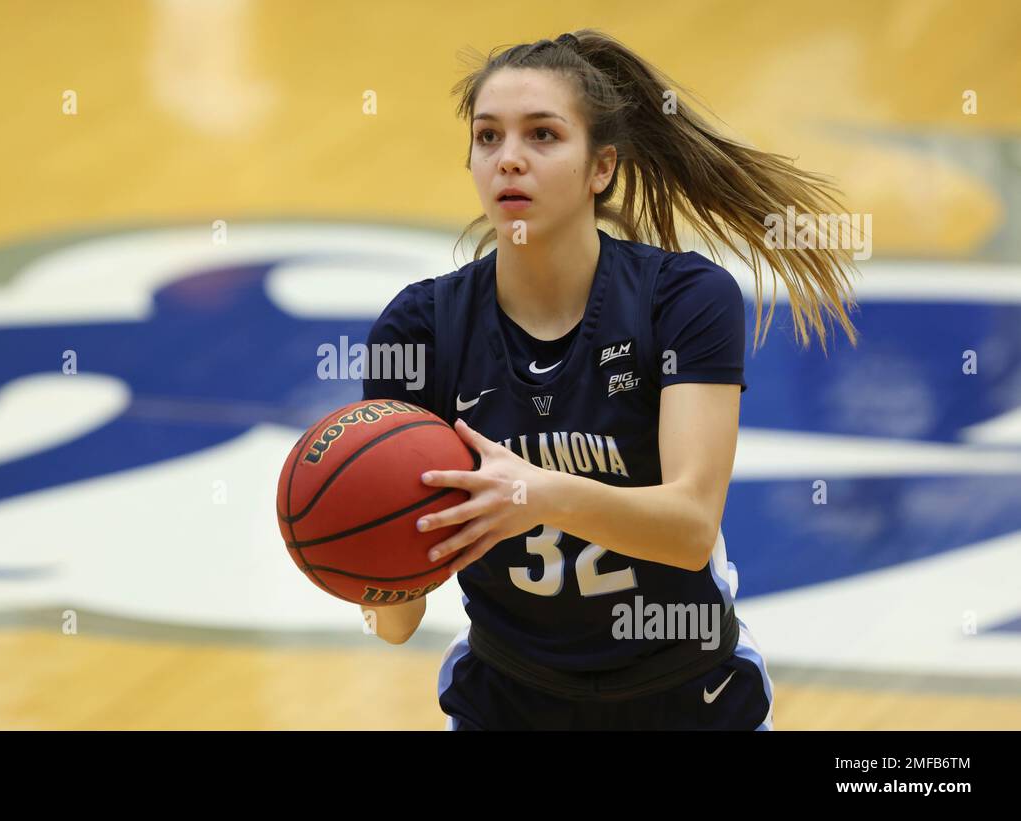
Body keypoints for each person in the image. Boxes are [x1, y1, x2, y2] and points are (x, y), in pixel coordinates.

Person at [359, 29, 860, 730]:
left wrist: (533, 491)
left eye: (542, 136)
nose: (509, 159)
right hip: (508, 700)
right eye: (487, 136)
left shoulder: (684, 299)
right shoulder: (418, 330)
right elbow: (396, 623)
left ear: (602, 168)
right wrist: (363, 556)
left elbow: (689, 526)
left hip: (687, 697)